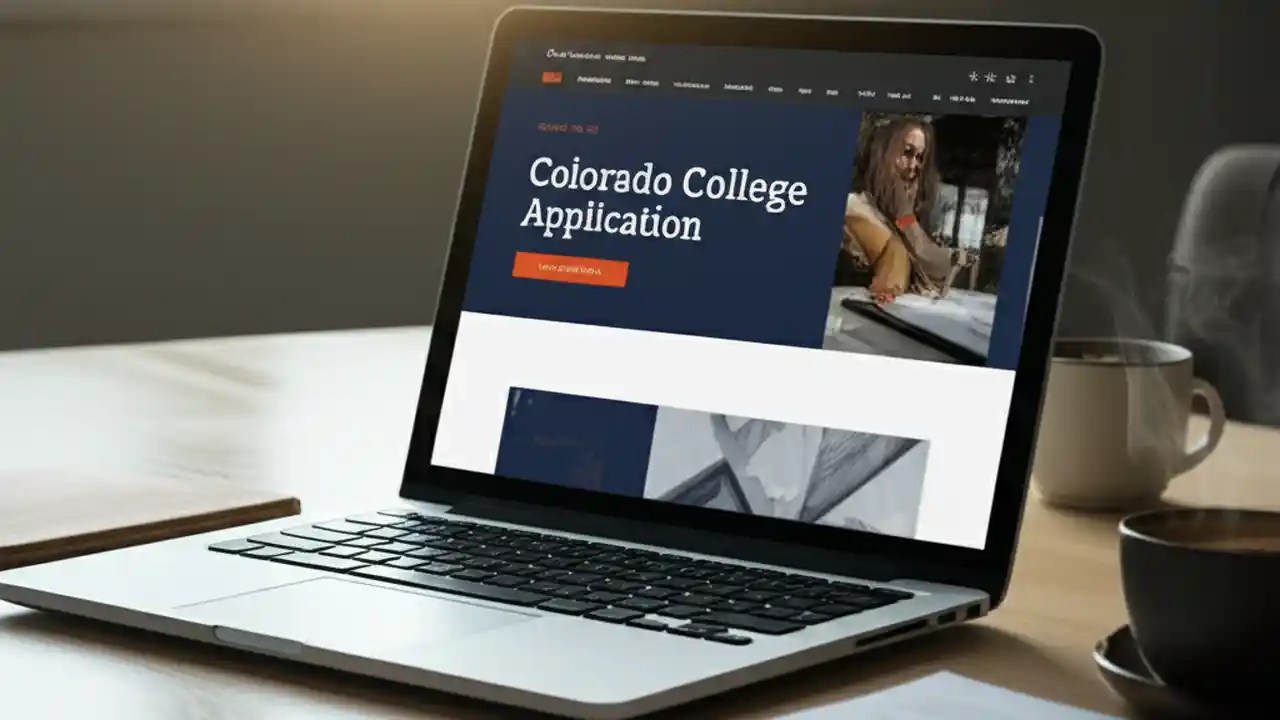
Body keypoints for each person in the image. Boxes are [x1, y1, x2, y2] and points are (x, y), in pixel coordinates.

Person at [842, 116, 969, 306]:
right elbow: (905, 253)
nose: (914, 168)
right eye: (907, 153)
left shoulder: (896, 216)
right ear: (882, 153)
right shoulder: (854, 207)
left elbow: (934, 266)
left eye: (919, 158)